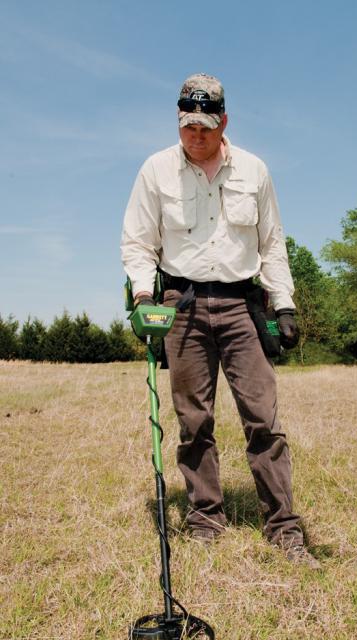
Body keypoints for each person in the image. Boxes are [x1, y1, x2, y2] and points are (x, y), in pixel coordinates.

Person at [121, 73, 320, 567]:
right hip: (180, 306)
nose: (198, 135)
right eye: (189, 125)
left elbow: (273, 243)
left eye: (207, 126)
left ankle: (283, 527)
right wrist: (146, 297)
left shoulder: (254, 170)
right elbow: (138, 242)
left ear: (224, 121)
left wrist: (285, 302)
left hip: (240, 306)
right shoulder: (155, 170)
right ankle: (206, 518)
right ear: (179, 119)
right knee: (194, 421)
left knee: (263, 418)